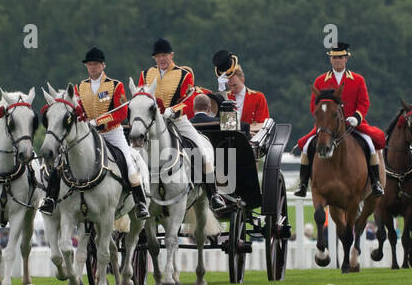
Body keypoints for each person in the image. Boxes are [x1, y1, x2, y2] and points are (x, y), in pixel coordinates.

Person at [41, 47, 150, 220]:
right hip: (87, 135)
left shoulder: (115, 85)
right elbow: (77, 111)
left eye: (96, 64)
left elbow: (121, 113)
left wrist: (99, 121)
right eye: (90, 64)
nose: (92, 67)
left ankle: (140, 202)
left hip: (112, 133)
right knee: (61, 161)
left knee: (129, 163)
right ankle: (50, 199)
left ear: (103, 65)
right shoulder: (79, 87)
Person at [137, 38, 232, 212]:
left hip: (177, 120)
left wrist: (173, 111)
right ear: (154, 58)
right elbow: (140, 97)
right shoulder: (146, 75)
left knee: (201, 151)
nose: (162, 59)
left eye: (165, 55)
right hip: (152, 123)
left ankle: (213, 194)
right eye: (158, 56)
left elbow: (188, 100)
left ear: (171, 55)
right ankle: (137, 198)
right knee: (134, 154)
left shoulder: (183, 74)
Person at [295, 42, 385, 198]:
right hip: (327, 125)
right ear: (330, 60)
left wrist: (357, 117)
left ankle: (375, 182)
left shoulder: (358, 79)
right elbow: (313, 106)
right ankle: (303, 184)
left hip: (353, 124)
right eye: (334, 58)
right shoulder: (320, 81)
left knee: (370, 145)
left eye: (340, 58)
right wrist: (323, 119)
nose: (337, 61)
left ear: (346, 59)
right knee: (306, 146)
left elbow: (364, 103)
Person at [211, 50, 271, 135]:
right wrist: (222, 92)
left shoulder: (258, 97)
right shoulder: (225, 98)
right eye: (229, 86)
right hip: (230, 141)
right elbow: (226, 126)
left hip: (251, 141)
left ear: (242, 79)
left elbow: (263, 125)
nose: (232, 89)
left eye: (235, 85)